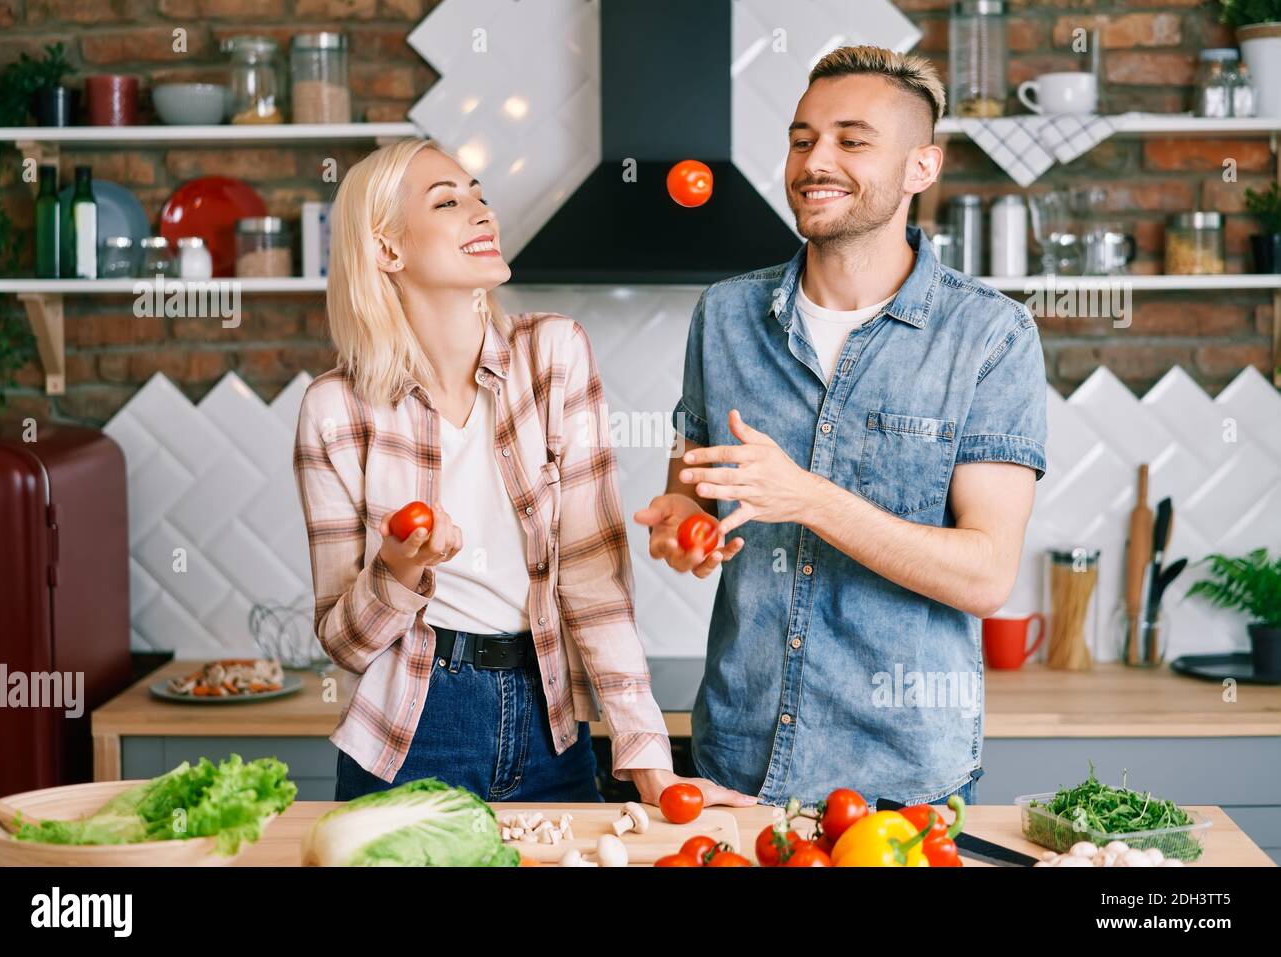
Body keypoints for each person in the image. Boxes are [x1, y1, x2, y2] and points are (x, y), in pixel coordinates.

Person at [635, 46, 1049, 807]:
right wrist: (682, 528)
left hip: (901, 782)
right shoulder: (724, 316)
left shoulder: (990, 335)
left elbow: (987, 573)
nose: (815, 161)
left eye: (852, 140)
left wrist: (808, 497)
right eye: (802, 139)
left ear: (922, 167)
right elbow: (688, 497)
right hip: (738, 761)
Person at [293, 138, 754, 809]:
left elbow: (594, 577)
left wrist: (649, 758)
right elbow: (344, 643)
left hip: (550, 720)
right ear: (387, 250)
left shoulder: (554, 355)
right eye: (448, 201)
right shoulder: (334, 410)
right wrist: (394, 571)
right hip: (411, 729)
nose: (482, 211)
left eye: (479, 194)